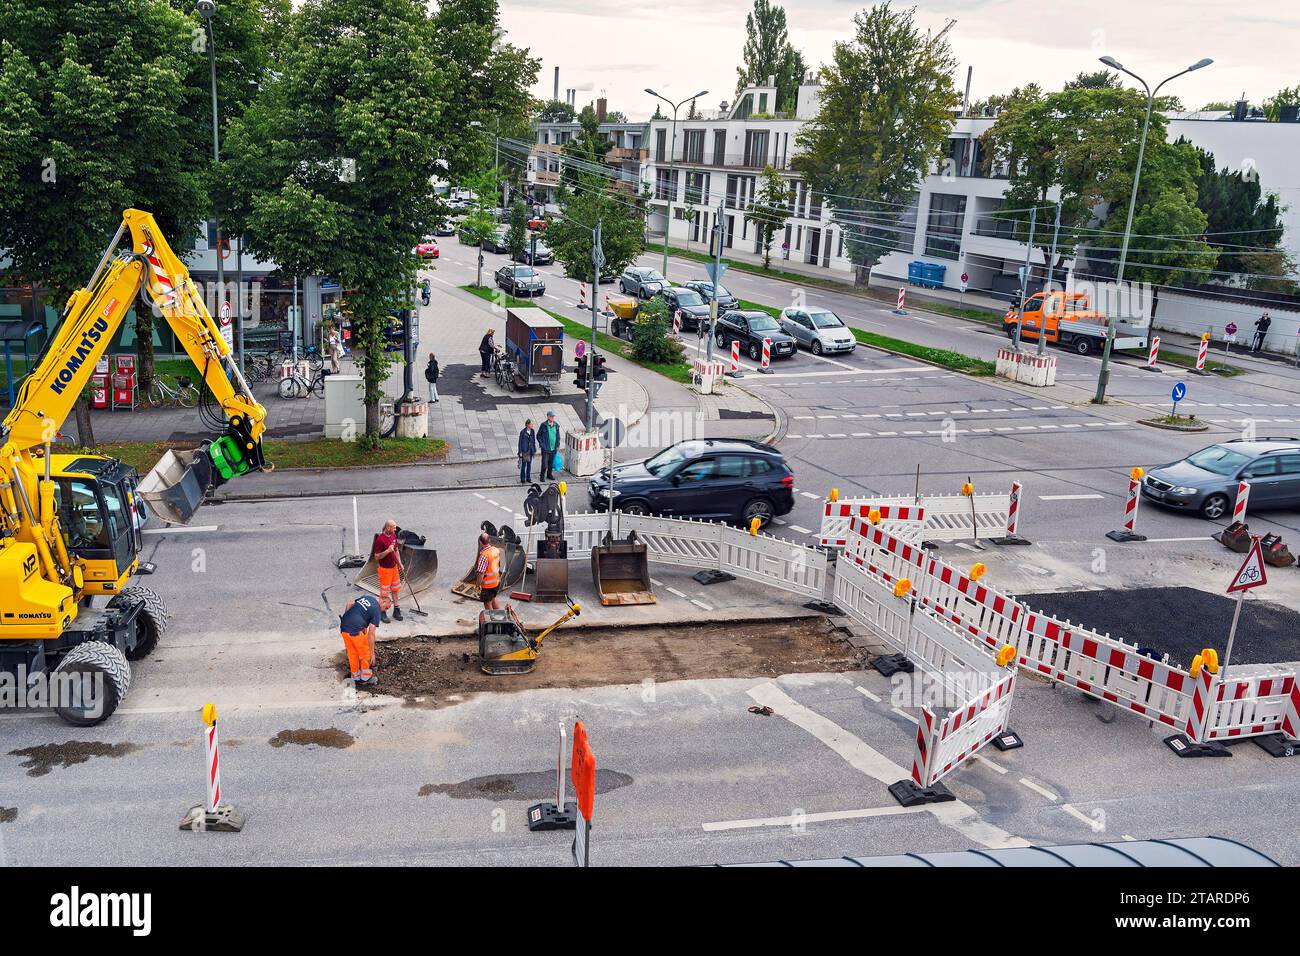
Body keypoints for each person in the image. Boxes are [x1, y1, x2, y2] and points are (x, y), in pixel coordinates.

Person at [339, 592, 381, 687]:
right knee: (365, 654)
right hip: (356, 630)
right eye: (386, 608)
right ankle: (365, 679)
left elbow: (349, 604)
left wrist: (348, 618)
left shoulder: (367, 598)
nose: (384, 611)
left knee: (352, 653)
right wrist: (372, 653)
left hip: (344, 627)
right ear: (383, 603)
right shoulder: (377, 610)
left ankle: (355, 676)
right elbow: (371, 633)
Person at [373, 519, 404, 622]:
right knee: (384, 593)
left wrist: (400, 563)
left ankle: (396, 610)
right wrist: (387, 551)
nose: (396, 529)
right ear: (388, 528)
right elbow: (377, 557)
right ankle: (382, 612)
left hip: (394, 568)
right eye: (394, 527)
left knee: (395, 589)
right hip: (385, 570)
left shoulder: (393, 536)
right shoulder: (380, 540)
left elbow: (396, 550)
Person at [475, 531, 503, 611]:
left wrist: (477, 586)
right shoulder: (495, 550)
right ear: (489, 540)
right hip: (496, 582)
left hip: (488, 585)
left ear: (480, 542)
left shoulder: (484, 556)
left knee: (487, 603)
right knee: (493, 598)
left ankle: (492, 621)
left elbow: (480, 574)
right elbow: (499, 564)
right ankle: (500, 617)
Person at [538, 410, 561, 482]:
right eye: (551, 416)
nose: (552, 418)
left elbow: (558, 436)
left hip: (553, 448)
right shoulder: (543, 425)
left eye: (553, 416)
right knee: (544, 464)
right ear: (548, 417)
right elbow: (538, 435)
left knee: (550, 463)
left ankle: (549, 475)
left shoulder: (556, 425)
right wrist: (542, 444)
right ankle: (542, 476)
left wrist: (557, 445)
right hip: (545, 448)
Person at [517, 418, 537, 484]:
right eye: (531, 424)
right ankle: (523, 479)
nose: (532, 425)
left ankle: (528, 478)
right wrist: (520, 452)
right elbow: (520, 442)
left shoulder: (532, 431)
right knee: (523, 465)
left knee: (529, 465)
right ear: (527, 424)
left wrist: (534, 449)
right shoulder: (523, 432)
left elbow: (533, 441)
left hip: (530, 450)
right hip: (524, 451)